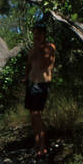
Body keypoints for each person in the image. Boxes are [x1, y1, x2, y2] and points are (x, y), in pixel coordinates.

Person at [24, 21, 57, 156]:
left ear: (44, 34)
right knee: (32, 116)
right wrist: (25, 77)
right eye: (35, 33)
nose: (36, 36)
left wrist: (38, 48)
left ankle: (43, 146)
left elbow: (45, 64)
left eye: (39, 33)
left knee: (37, 115)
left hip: (41, 84)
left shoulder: (49, 47)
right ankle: (37, 144)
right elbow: (28, 65)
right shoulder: (33, 49)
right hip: (31, 83)